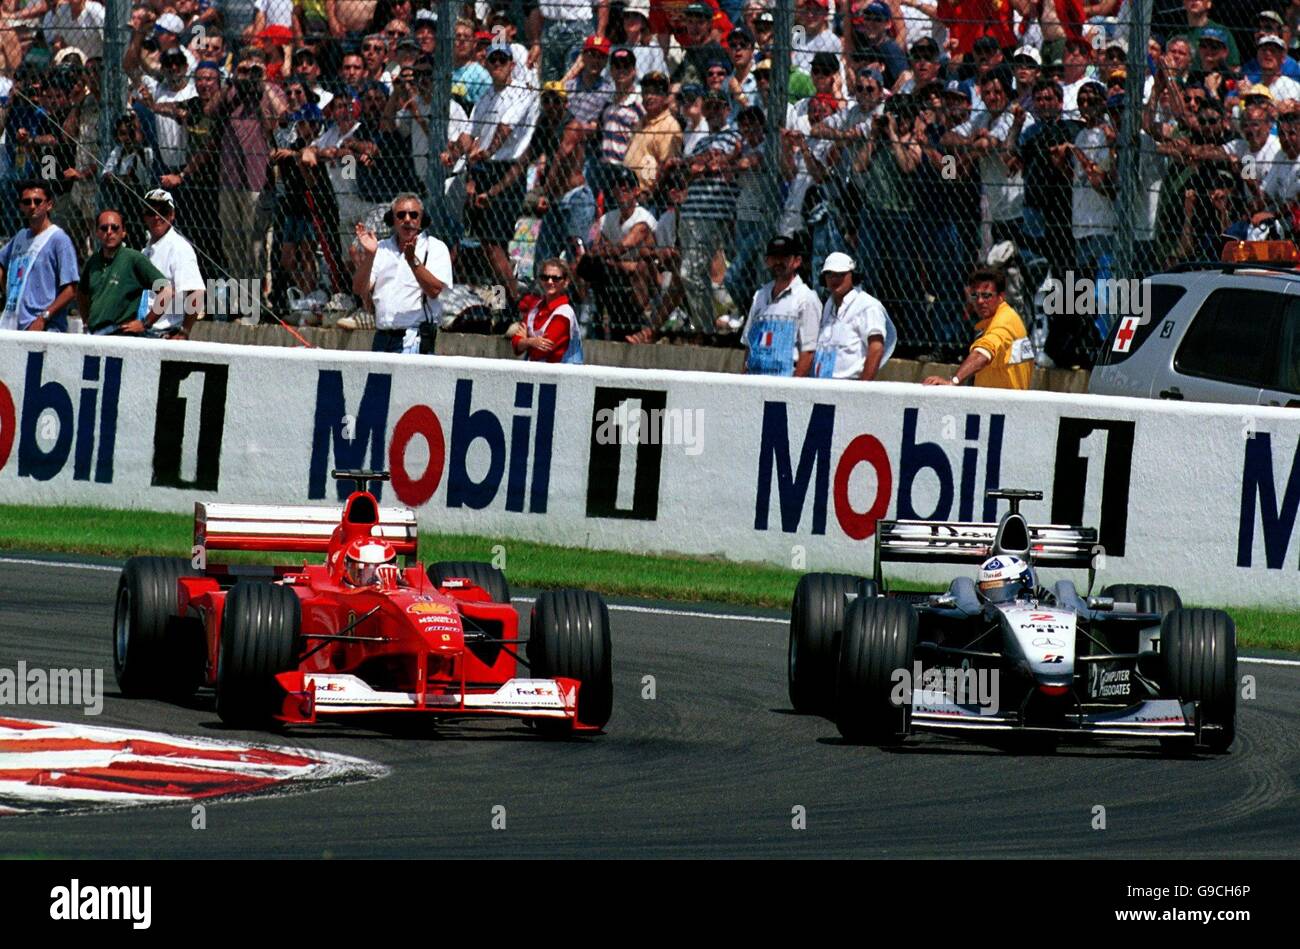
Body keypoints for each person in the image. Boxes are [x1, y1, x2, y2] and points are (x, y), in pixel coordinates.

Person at [351, 193, 453, 355]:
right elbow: (359, 289)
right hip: (382, 337)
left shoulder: (434, 247)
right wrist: (369, 256)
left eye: (413, 215)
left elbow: (434, 290)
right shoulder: (382, 248)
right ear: (392, 220)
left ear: (421, 220)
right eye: (401, 215)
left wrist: (413, 261)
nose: (407, 219)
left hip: (414, 338)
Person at [923, 267, 1034, 389]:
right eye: (975, 295)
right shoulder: (1004, 318)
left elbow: (982, 354)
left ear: (1001, 296)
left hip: (1002, 405)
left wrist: (953, 382)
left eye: (987, 296)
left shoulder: (1003, 323)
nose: (980, 301)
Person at [77, 208, 173, 336]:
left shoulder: (133, 258)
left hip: (120, 335)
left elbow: (166, 290)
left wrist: (146, 323)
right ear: (97, 233)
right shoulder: (93, 261)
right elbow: (81, 294)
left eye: (115, 228)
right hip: (95, 335)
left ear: (123, 232)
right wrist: (86, 322)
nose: (109, 232)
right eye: (104, 228)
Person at [0, 181, 79, 332]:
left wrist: (44, 317)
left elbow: (71, 289)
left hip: (45, 328)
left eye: (38, 201)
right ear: (21, 206)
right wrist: (8, 292)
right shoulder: (20, 237)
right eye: (26, 202)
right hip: (13, 325)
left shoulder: (59, 239)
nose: (32, 206)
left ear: (49, 205)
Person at [741, 235, 822, 376]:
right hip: (754, 382)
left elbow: (809, 351)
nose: (778, 262)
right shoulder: (759, 296)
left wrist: (792, 390)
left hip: (785, 383)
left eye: (784, 257)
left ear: (797, 261)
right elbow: (749, 344)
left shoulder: (806, 298)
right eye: (773, 257)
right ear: (767, 261)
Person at [812, 252, 897, 381]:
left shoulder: (867, 306)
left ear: (853, 276)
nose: (834, 279)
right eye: (830, 274)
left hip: (849, 387)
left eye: (841, 274)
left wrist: (860, 390)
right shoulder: (829, 306)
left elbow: (876, 349)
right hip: (823, 387)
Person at [139, 188, 204, 337]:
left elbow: (197, 292)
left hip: (164, 334)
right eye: (150, 212)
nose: (156, 217)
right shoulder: (146, 250)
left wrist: (184, 332)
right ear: (144, 217)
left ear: (172, 215)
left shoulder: (178, 248)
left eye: (163, 211)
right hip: (145, 333)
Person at [510, 258, 583, 363]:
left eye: (556, 278)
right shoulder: (535, 307)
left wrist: (524, 341)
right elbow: (515, 346)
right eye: (545, 277)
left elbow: (540, 352)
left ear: (566, 282)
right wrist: (531, 342)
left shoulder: (565, 313)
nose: (549, 282)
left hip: (560, 375)